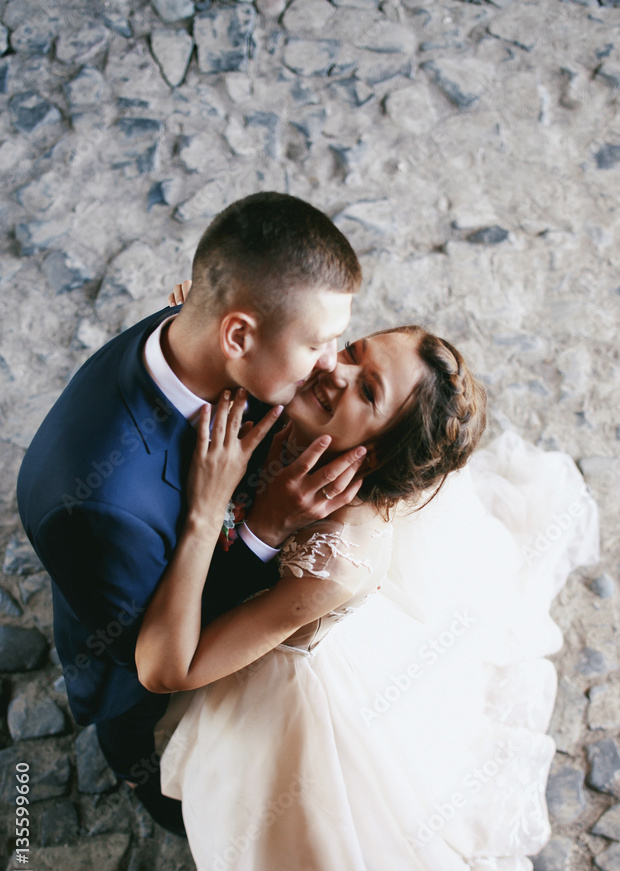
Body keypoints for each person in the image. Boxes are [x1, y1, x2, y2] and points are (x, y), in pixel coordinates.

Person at [135, 300, 600, 871]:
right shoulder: (308, 398)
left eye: (368, 390)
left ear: (374, 459)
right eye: (354, 351)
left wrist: (208, 511)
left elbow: (176, 668)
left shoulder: (337, 561)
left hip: (270, 676)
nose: (336, 372)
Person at [16, 192, 369, 837]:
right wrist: (258, 528)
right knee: (151, 750)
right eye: (319, 341)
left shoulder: (190, 330)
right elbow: (159, 654)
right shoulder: (100, 505)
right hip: (134, 664)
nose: (331, 363)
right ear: (237, 334)